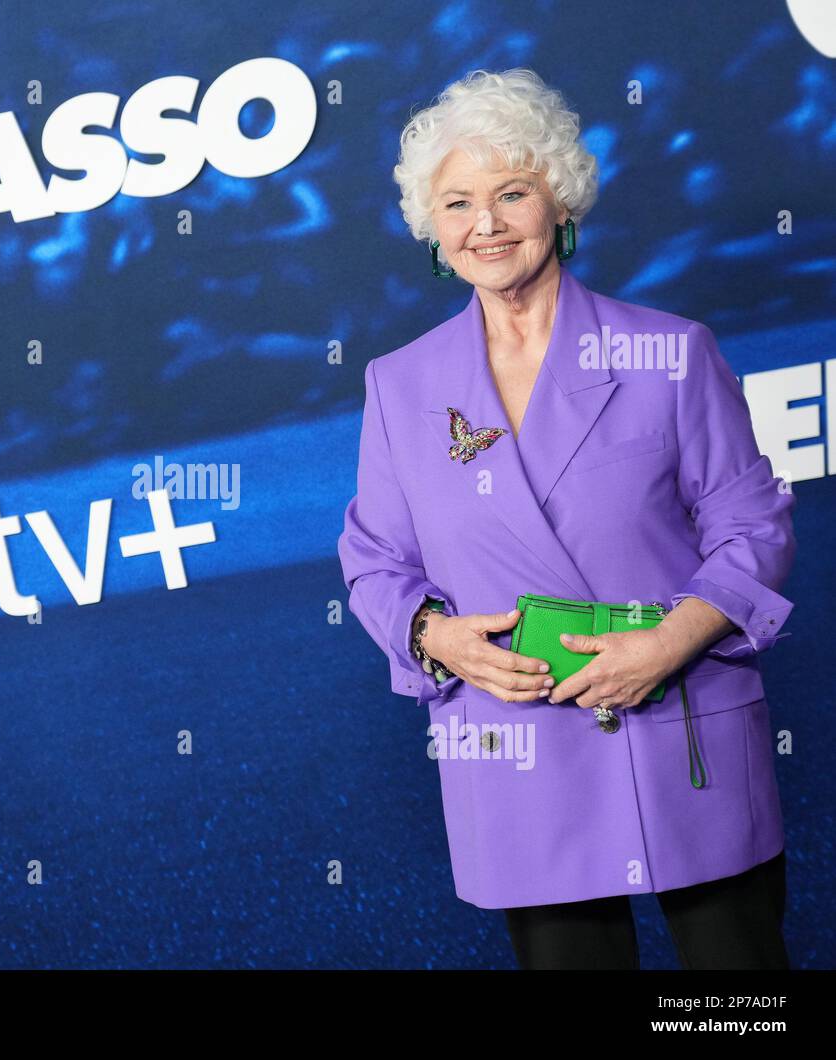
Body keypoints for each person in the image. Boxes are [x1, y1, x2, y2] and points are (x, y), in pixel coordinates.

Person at [337, 68, 795, 970]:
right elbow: (375, 560)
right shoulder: (400, 385)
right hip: (520, 741)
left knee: (735, 1005)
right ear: (435, 228)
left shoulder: (670, 352)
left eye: (513, 193)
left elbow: (755, 527)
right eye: (459, 202)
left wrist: (669, 643)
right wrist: (437, 638)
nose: (487, 223)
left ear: (561, 200)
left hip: (684, 718)